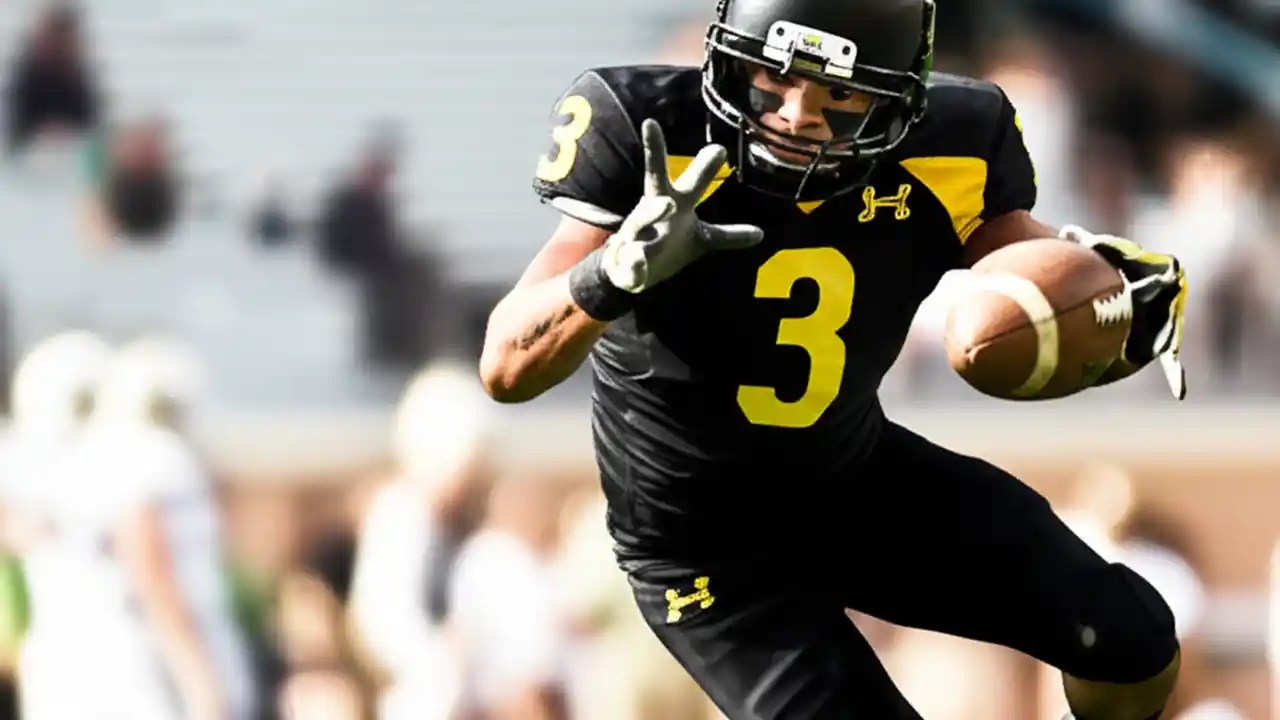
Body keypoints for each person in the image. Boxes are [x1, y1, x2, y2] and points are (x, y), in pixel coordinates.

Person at [479, 1, 1190, 718]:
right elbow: (505, 367)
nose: (797, 114)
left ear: (899, 96)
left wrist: (1115, 301)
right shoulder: (649, 133)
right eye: (772, 77)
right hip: (707, 553)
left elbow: (1029, 287)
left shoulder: (952, 143)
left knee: (1132, 640)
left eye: (841, 94)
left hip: (854, 483)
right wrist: (609, 275)